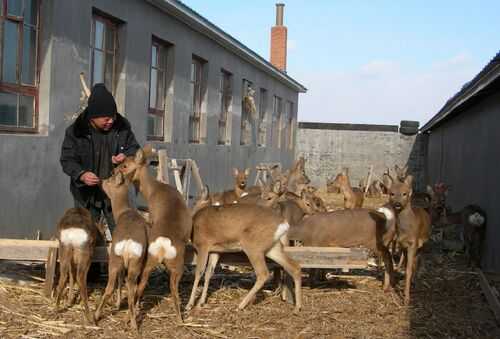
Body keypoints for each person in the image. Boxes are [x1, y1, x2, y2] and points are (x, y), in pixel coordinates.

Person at [60, 83, 140, 235]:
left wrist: (126, 157)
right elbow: (67, 159)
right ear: (93, 117)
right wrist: (81, 174)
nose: (111, 121)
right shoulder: (76, 132)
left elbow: (135, 149)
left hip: (115, 193)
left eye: (113, 116)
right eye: (106, 118)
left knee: (122, 234)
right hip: (86, 196)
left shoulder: (122, 128)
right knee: (87, 237)